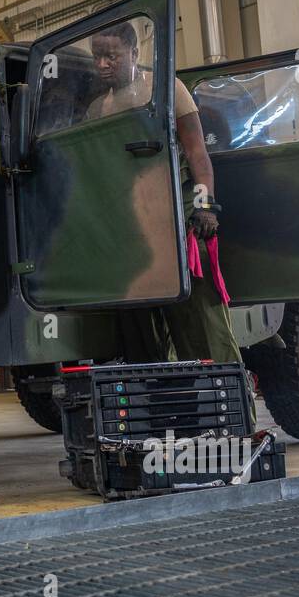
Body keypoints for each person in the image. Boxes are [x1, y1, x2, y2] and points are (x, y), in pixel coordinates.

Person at [86, 22, 241, 367]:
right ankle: (165, 408)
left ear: (135, 53)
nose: (102, 64)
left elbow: (197, 153)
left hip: (179, 219)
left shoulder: (167, 89)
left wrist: (205, 206)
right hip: (129, 232)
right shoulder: (97, 110)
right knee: (143, 337)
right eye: (97, 57)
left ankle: (226, 407)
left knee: (204, 324)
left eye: (111, 56)